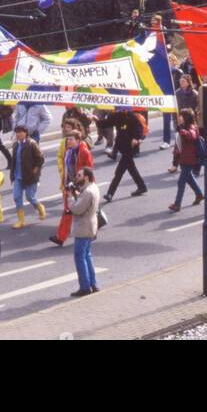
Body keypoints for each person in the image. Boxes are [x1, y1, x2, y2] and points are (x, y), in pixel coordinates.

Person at [50, 118, 92, 247]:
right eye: (67, 139)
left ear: (78, 140)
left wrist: (83, 184)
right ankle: (61, 237)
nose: (68, 141)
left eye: (71, 139)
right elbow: (67, 169)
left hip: (81, 186)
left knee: (85, 211)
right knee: (68, 211)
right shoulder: (68, 152)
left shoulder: (84, 151)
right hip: (70, 185)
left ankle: (91, 230)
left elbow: (89, 169)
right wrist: (66, 183)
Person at [68, 167, 102, 297]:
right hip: (91, 225)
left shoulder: (88, 192)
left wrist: (71, 197)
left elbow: (77, 209)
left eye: (79, 175)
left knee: (80, 257)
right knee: (87, 255)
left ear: (86, 177)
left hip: (83, 227)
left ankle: (85, 286)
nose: (77, 177)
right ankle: (93, 284)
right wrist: (76, 193)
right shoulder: (93, 187)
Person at [104, 111, 148, 202]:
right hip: (122, 146)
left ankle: (110, 193)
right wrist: (96, 120)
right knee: (132, 169)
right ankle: (142, 186)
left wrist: (136, 139)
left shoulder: (131, 116)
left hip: (129, 147)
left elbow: (139, 128)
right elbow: (109, 125)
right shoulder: (117, 115)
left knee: (119, 172)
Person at [168, 108, 204, 213]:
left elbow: (191, 135)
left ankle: (177, 204)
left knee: (181, 181)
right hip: (183, 158)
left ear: (186, 118)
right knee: (189, 178)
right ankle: (199, 194)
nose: (179, 118)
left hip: (189, 158)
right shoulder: (182, 127)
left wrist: (182, 131)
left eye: (181, 116)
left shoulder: (192, 127)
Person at [9, 125, 46, 226]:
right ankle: (21, 221)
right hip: (18, 176)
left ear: (26, 133)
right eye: (17, 132)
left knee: (30, 197)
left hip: (29, 176)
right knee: (17, 197)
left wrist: (34, 171)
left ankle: (40, 207)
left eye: (21, 132)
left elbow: (40, 159)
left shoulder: (32, 144)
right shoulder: (16, 145)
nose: (18, 134)